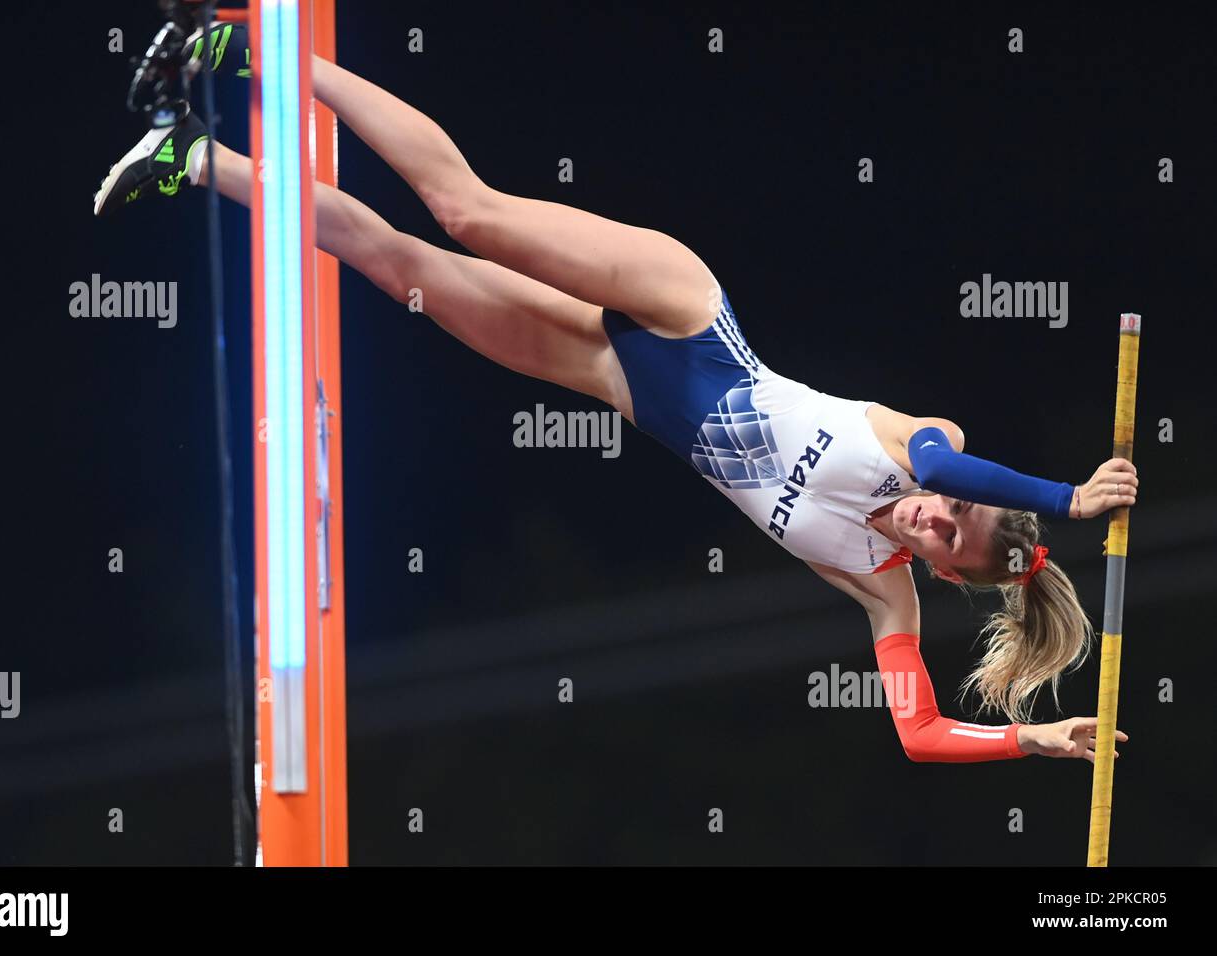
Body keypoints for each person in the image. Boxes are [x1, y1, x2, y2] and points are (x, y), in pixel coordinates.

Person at [95, 24, 1136, 764]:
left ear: (943, 571)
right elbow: (954, 466)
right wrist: (1063, 496)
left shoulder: (880, 585)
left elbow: (915, 733)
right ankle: (253, 52)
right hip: (685, 313)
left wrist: (1031, 736)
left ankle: (192, 156)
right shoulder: (928, 444)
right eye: (950, 504)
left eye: (943, 532)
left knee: (396, 264)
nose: (932, 508)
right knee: (467, 213)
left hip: (612, 381)